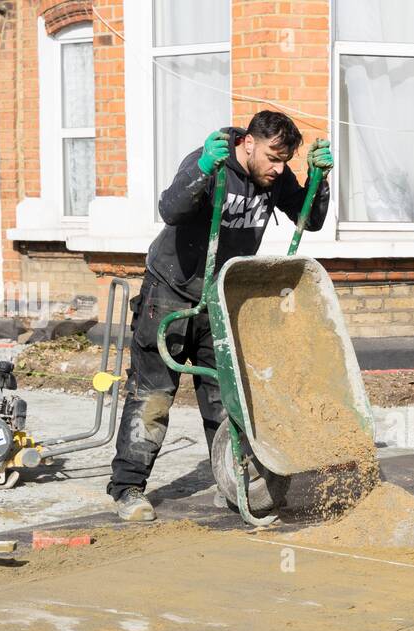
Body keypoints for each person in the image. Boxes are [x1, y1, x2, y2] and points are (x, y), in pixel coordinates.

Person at [107, 110, 333, 521]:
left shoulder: (274, 178)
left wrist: (320, 182)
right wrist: (201, 170)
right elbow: (170, 210)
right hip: (170, 293)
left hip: (221, 297)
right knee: (153, 394)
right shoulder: (209, 160)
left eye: (285, 161)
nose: (278, 168)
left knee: (225, 396)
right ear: (248, 142)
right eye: (272, 157)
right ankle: (128, 489)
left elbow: (310, 220)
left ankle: (231, 481)